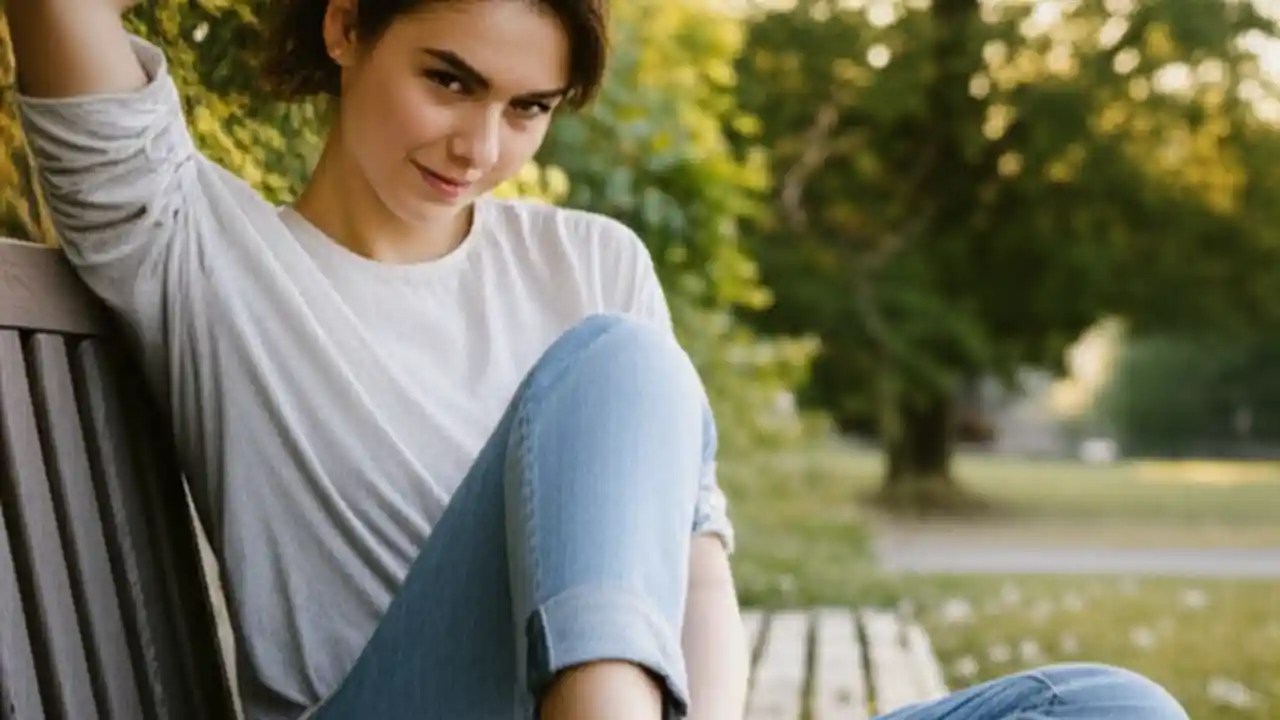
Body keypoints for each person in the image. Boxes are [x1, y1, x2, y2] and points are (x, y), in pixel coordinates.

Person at [10, 1, 1189, 718]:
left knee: (1105, 707)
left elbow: (695, 571)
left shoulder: (588, 258)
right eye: (449, 79)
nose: (480, 144)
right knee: (615, 366)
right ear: (346, 25)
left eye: (529, 107)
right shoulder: (201, 252)